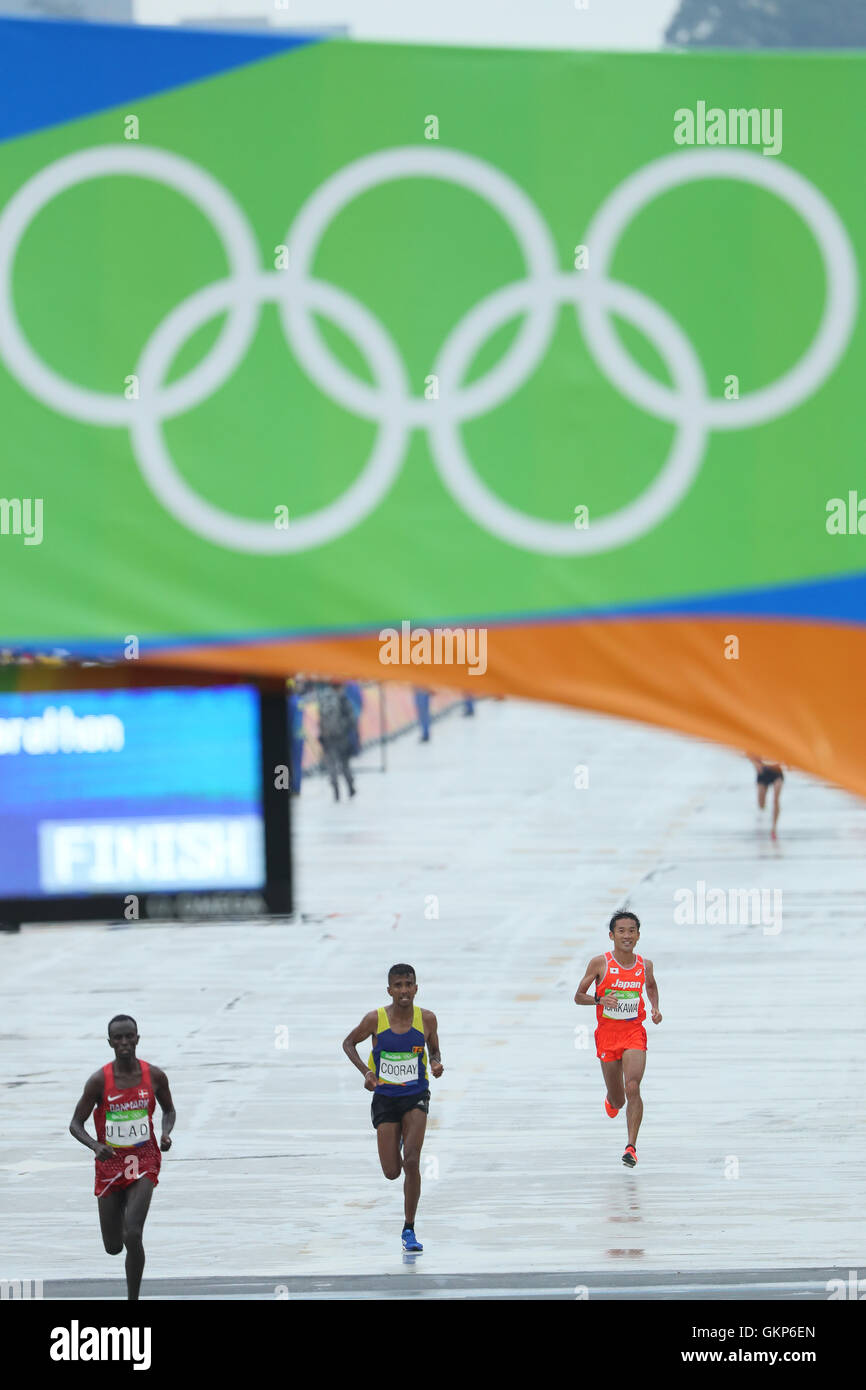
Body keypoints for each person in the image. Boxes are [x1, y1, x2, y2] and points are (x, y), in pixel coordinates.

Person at [69, 1015, 175, 1300]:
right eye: (118, 1038)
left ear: (138, 1039)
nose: (125, 1042)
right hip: (110, 1165)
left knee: (133, 1234)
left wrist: (165, 1134)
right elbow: (75, 1124)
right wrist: (94, 1145)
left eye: (130, 1036)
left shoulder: (154, 1075)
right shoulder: (98, 1081)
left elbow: (169, 1110)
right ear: (110, 1043)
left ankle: (133, 1298)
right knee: (114, 1245)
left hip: (145, 1160)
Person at [342, 965, 443, 1252]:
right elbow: (349, 1043)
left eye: (408, 984)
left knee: (412, 1160)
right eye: (397, 985)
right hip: (385, 1098)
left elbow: (434, 1048)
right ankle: (396, 1136)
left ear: (416, 988)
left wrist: (435, 1062)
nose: (403, 990)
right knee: (391, 1172)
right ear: (389, 990)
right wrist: (366, 1072)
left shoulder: (427, 1019)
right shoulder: (376, 1019)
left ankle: (409, 1228)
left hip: (416, 1096)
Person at [574, 912, 661, 1167]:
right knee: (618, 1099)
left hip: (634, 1032)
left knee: (632, 1086)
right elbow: (578, 996)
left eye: (632, 931)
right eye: (621, 931)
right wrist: (599, 1000)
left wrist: (655, 1008)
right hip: (608, 1036)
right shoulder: (599, 963)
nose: (627, 935)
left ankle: (631, 1147)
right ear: (612, 936)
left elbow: (652, 986)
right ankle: (612, 1100)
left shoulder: (645, 965)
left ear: (638, 936)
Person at [317, 680, 357, 801]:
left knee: (331, 764)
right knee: (344, 763)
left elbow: (320, 718)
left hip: (327, 737)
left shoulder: (323, 698)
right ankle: (350, 786)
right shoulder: (342, 698)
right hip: (341, 736)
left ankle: (335, 789)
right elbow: (352, 718)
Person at [747, 754, 784, 839]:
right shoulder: (761, 743)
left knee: (776, 799)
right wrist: (756, 765)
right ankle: (764, 812)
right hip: (763, 772)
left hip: (777, 772)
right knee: (761, 805)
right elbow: (750, 753)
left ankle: (774, 828)